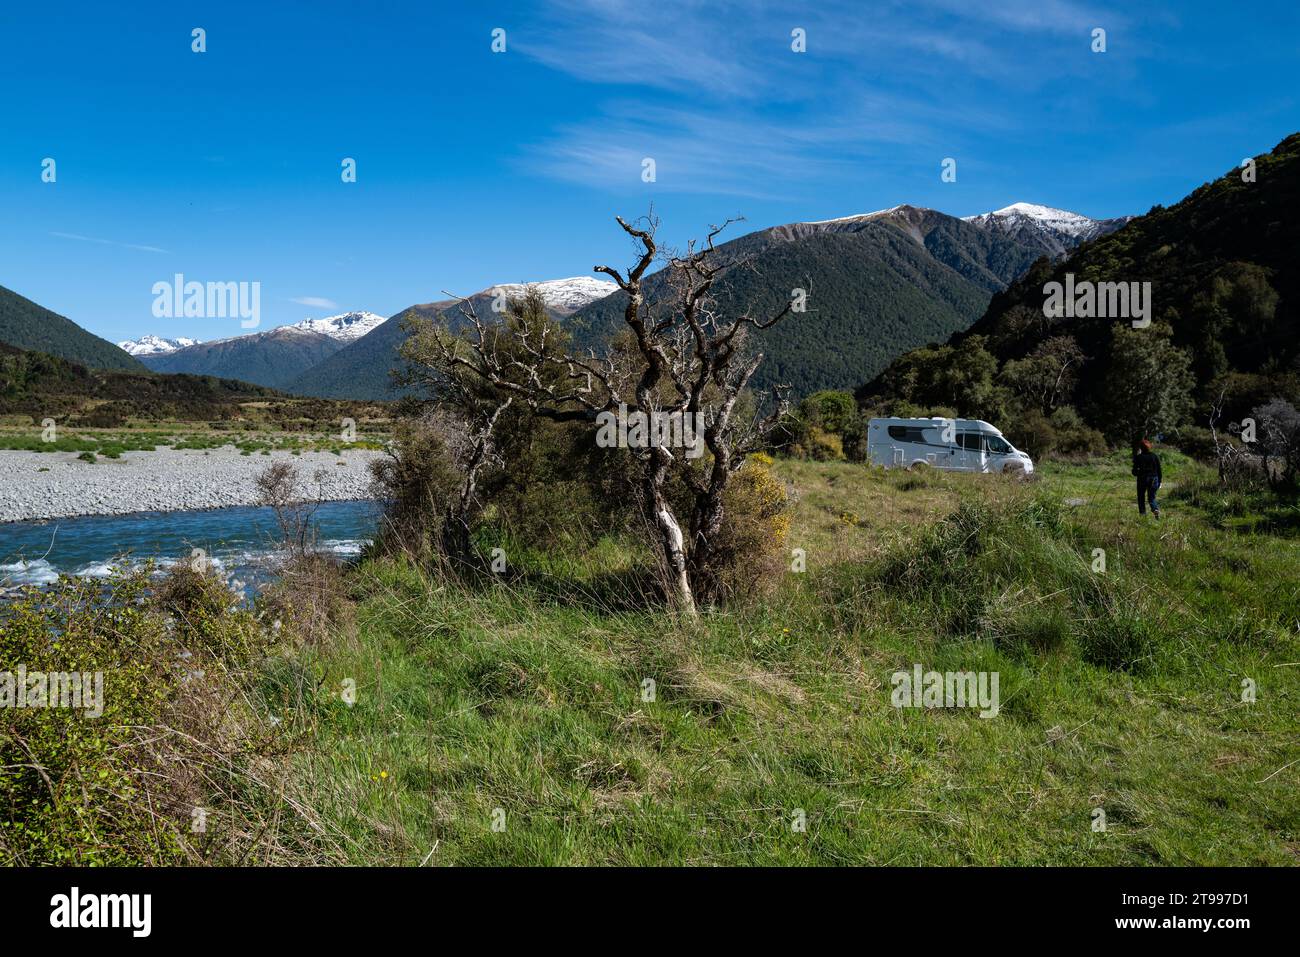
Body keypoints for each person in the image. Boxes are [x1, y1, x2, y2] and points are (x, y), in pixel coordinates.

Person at [1131, 438, 1162, 518]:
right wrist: (1160, 481)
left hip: (1142, 479)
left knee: (1141, 498)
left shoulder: (1138, 457)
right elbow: (1159, 470)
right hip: (1154, 479)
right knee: (1151, 498)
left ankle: (1143, 515)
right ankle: (1155, 509)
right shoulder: (1154, 456)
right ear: (1149, 447)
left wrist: (1137, 473)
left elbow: (1134, 471)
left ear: (1141, 448)